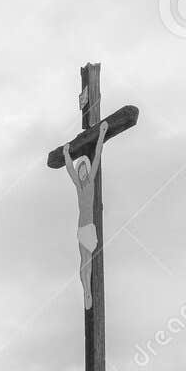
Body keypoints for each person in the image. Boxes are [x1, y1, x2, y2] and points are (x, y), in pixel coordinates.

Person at [61, 117, 109, 309]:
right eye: (80, 171)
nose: (80, 173)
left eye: (83, 170)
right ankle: (86, 291)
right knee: (83, 263)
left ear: (87, 171)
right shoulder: (79, 187)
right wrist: (65, 153)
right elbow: (70, 171)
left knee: (88, 261)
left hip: (89, 227)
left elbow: (96, 155)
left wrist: (102, 133)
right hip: (81, 228)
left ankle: (89, 291)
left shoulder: (89, 184)